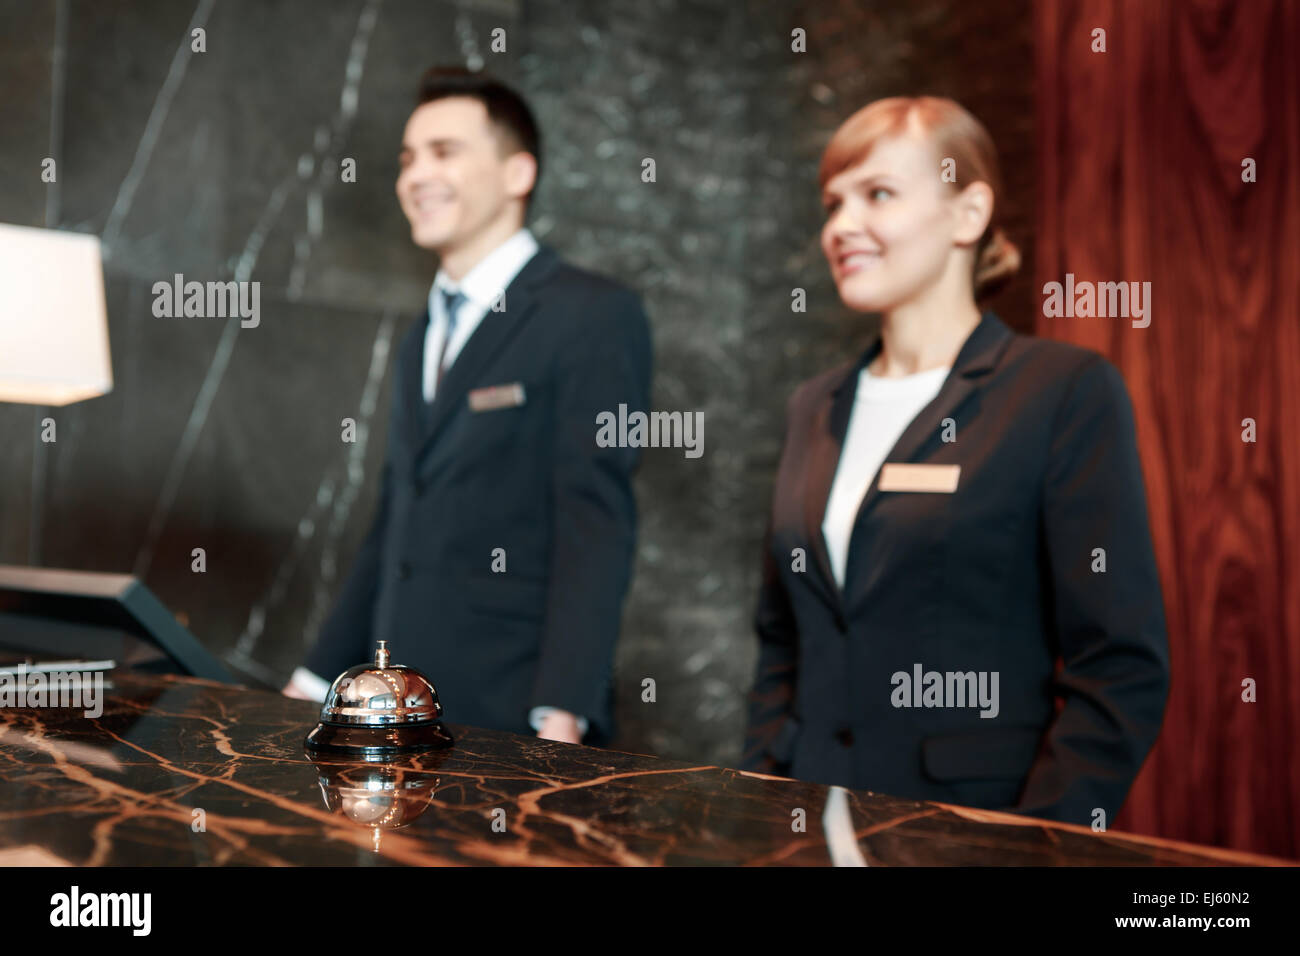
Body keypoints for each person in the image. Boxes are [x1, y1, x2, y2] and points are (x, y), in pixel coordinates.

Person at [741, 96, 1169, 825]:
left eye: (877, 194)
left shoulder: (1060, 391)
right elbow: (783, 641)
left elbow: (1119, 665)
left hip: (966, 830)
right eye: (832, 203)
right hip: (807, 827)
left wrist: (1029, 846)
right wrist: (764, 796)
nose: (841, 227)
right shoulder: (814, 405)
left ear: (969, 214)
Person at [284, 67, 652, 747]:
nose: (416, 175)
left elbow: (594, 527)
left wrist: (561, 715)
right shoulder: (423, 332)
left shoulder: (591, 314)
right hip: (397, 715)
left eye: (444, 152)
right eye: (407, 159)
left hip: (516, 716)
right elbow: (397, 521)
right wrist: (312, 680)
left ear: (518, 173)